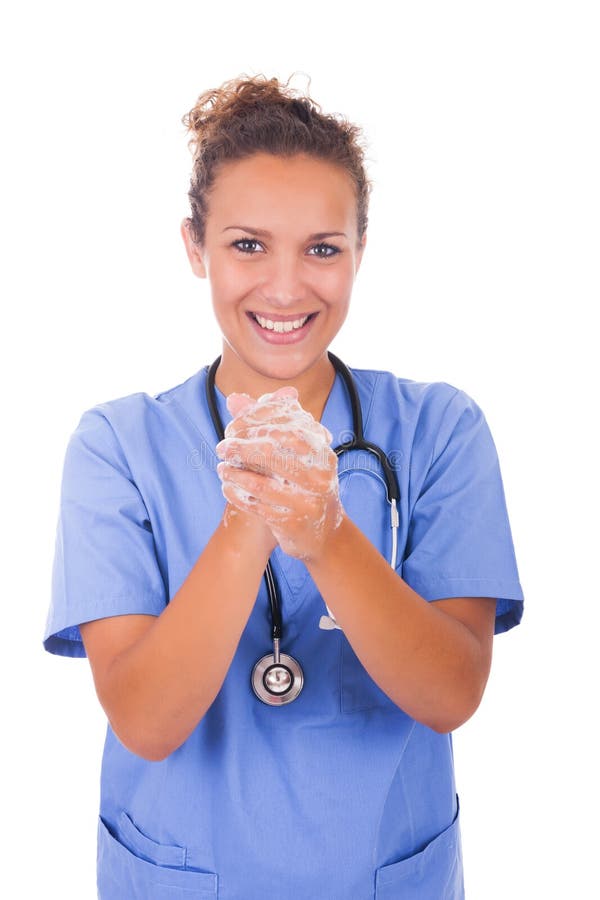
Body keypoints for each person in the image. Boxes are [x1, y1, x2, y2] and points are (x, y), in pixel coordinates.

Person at [43, 73, 524, 899]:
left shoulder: (440, 430)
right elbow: (146, 721)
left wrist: (327, 534)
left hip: (382, 876)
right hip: (181, 877)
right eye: (247, 244)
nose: (286, 287)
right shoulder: (117, 445)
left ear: (360, 251)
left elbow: (451, 692)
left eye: (323, 249)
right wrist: (252, 516)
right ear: (195, 247)